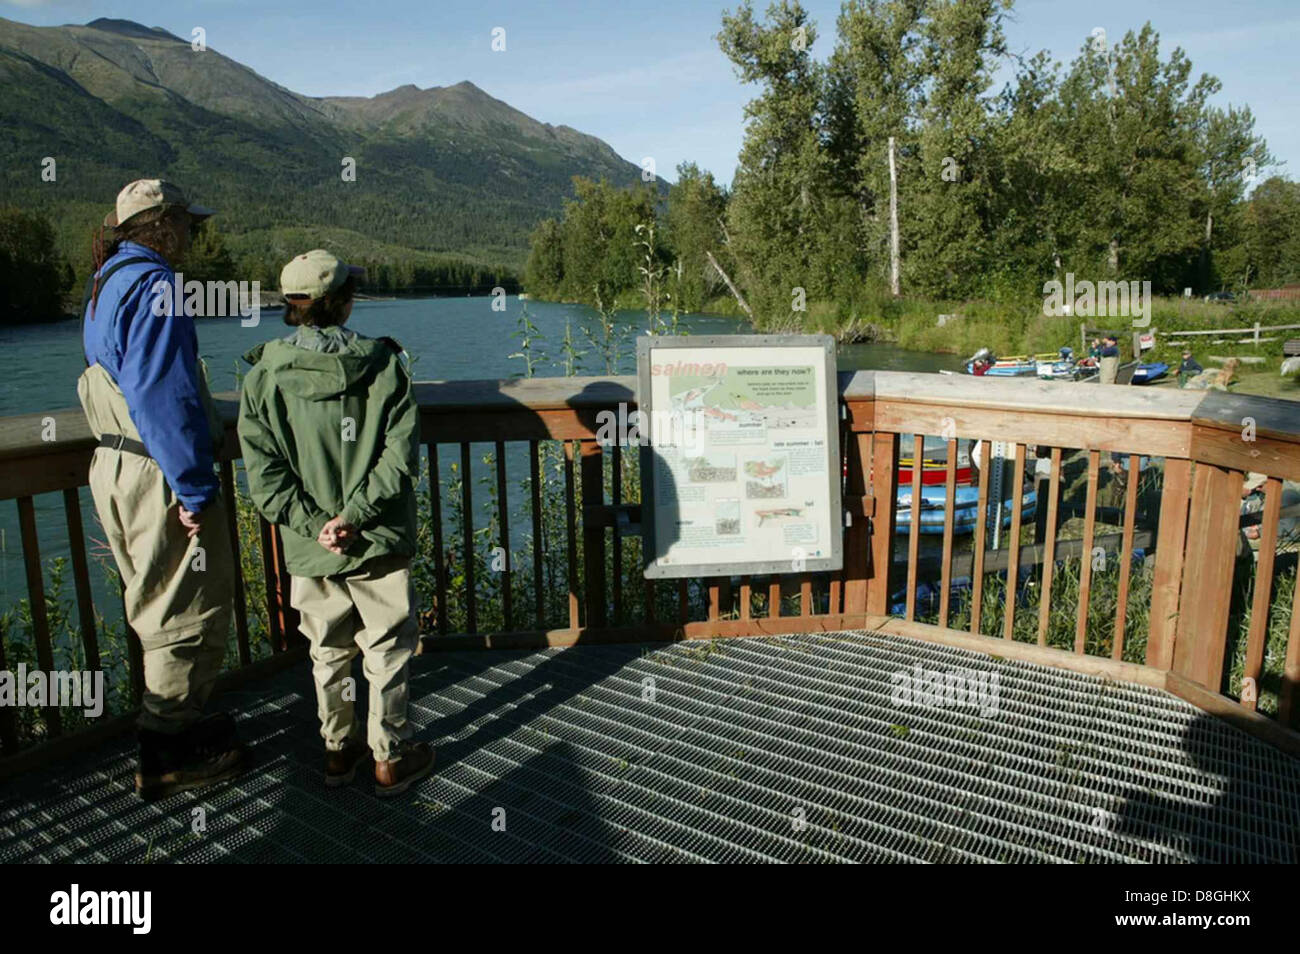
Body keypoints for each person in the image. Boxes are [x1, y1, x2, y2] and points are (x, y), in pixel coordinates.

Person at [237, 249, 434, 796]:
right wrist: (355, 516)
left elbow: (265, 475)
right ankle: (390, 757)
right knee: (387, 649)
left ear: (293, 308)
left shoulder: (263, 378)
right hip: (378, 539)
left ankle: (336, 753)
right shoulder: (385, 366)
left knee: (327, 651)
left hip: (309, 545)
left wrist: (317, 523)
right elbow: (399, 456)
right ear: (344, 304)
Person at [78, 179, 244, 801]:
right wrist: (195, 488)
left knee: (153, 601)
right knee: (182, 610)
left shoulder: (105, 285)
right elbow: (164, 395)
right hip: (157, 472)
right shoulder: (155, 287)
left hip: (116, 466)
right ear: (164, 225)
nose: (194, 236)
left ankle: (178, 727)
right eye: (188, 224)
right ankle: (166, 750)